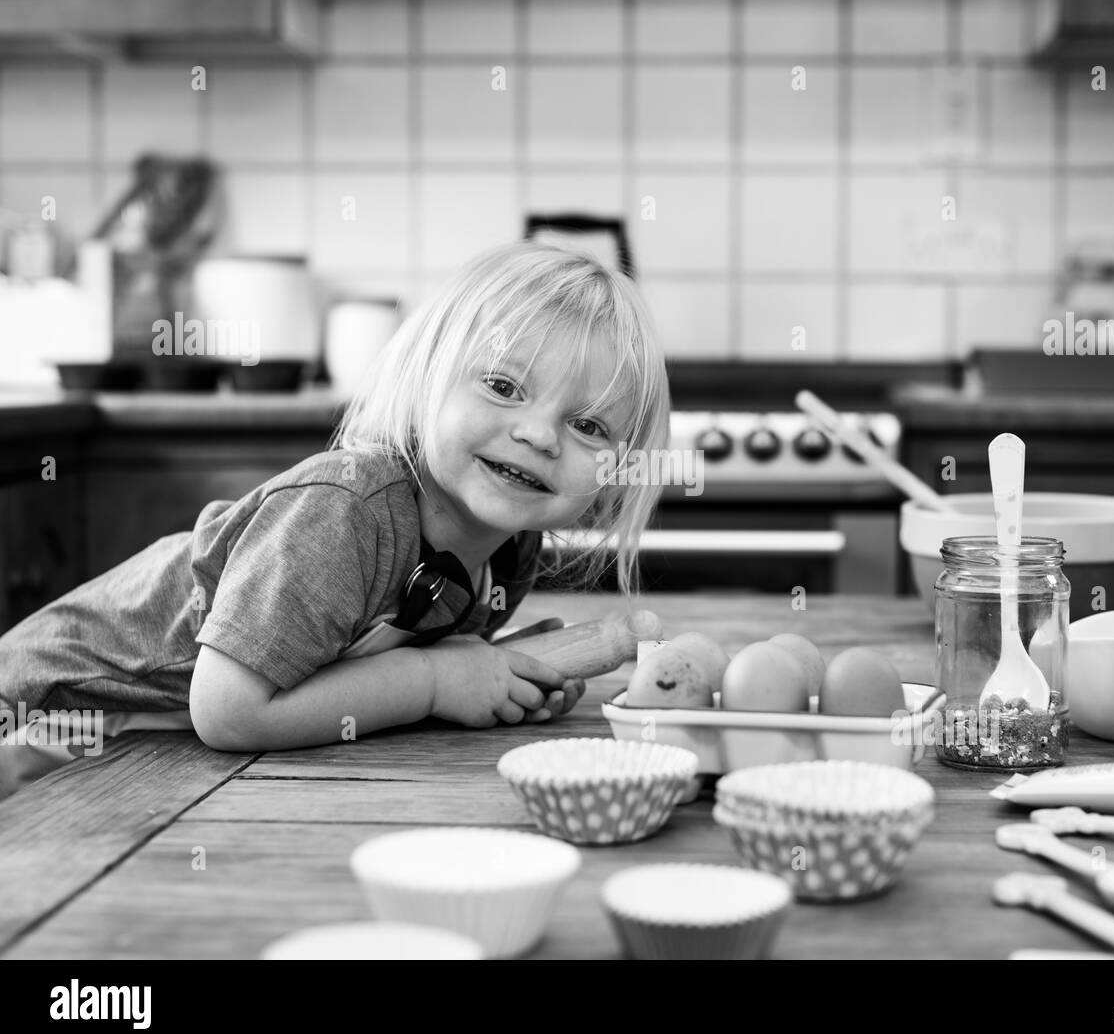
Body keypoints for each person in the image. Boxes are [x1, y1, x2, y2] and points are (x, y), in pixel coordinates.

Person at [0, 241, 671, 798]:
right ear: (424, 377)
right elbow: (229, 710)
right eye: (503, 387)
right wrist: (436, 681)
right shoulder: (344, 514)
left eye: (587, 425)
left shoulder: (506, 553)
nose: (540, 435)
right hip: (47, 730)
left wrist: (492, 674)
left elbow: (348, 687)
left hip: (164, 757)